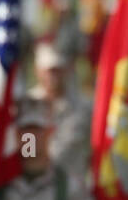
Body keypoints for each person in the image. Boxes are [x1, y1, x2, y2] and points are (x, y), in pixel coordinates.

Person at [31, 42, 93, 184]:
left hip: (74, 191)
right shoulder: (28, 107)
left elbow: (95, 148)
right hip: (41, 191)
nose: (53, 76)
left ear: (65, 70)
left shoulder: (84, 106)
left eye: (57, 70)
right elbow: (27, 154)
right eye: (48, 71)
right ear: (37, 71)